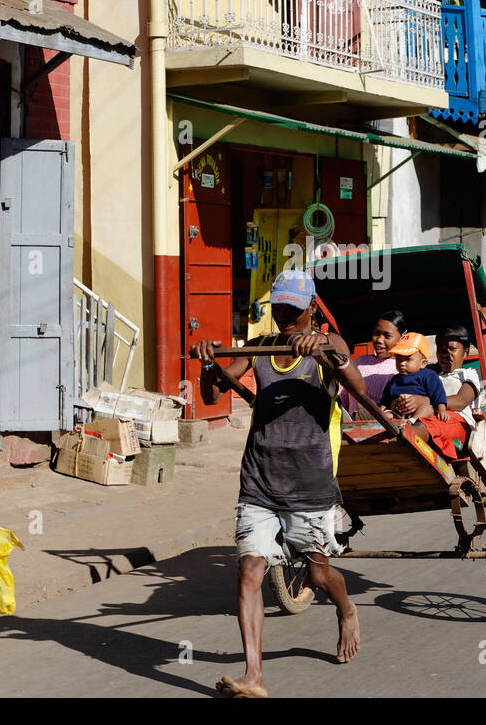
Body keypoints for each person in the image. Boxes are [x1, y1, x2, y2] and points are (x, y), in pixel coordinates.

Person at [193, 270, 363, 698]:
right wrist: (208, 362)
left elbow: (358, 391)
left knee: (319, 574)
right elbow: (213, 396)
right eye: (279, 308)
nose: (285, 316)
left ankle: (346, 609)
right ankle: (254, 675)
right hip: (259, 480)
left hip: (309, 482)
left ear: (311, 308)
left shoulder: (330, 344)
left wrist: (326, 354)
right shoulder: (261, 347)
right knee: (250, 570)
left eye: (293, 308)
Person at [381, 333, 467, 456]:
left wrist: (442, 409)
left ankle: (412, 423)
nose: (402, 363)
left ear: (423, 363)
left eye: (408, 359)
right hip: (398, 412)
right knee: (386, 414)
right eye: (399, 359)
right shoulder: (394, 379)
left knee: (427, 408)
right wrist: (384, 408)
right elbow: (386, 398)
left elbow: (438, 393)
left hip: (420, 412)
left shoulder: (427, 375)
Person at [338, 310, 406, 418]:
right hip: (350, 428)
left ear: (402, 337)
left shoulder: (401, 369)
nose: (379, 340)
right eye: (376, 333)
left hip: (381, 430)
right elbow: (343, 395)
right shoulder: (360, 362)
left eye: (387, 336)